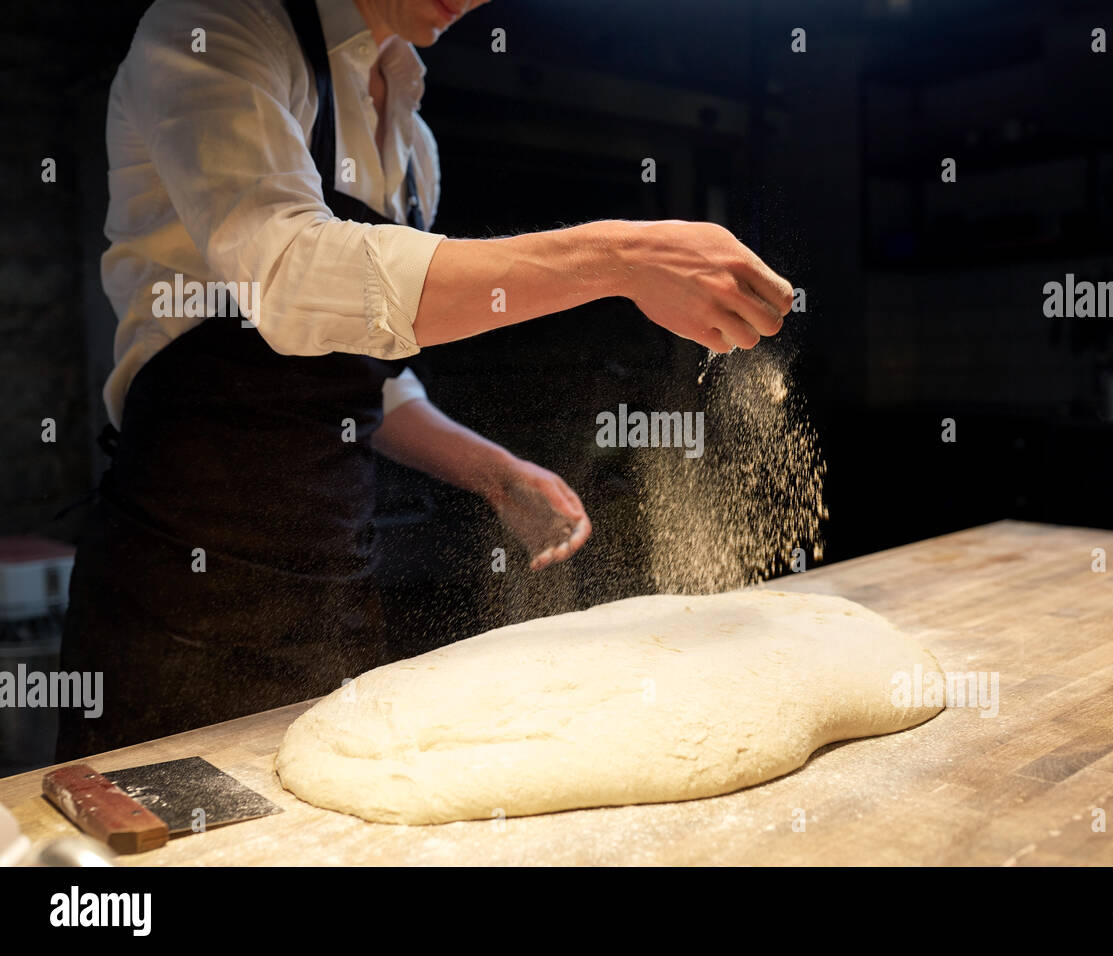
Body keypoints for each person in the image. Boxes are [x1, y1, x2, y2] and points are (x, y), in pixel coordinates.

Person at [56, 0, 793, 759]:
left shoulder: (413, 143)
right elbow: (288, 281)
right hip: (179, 587)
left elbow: (362, 370)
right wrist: (615, 258)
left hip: (334, 576)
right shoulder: (216, 28)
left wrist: (494, 473)